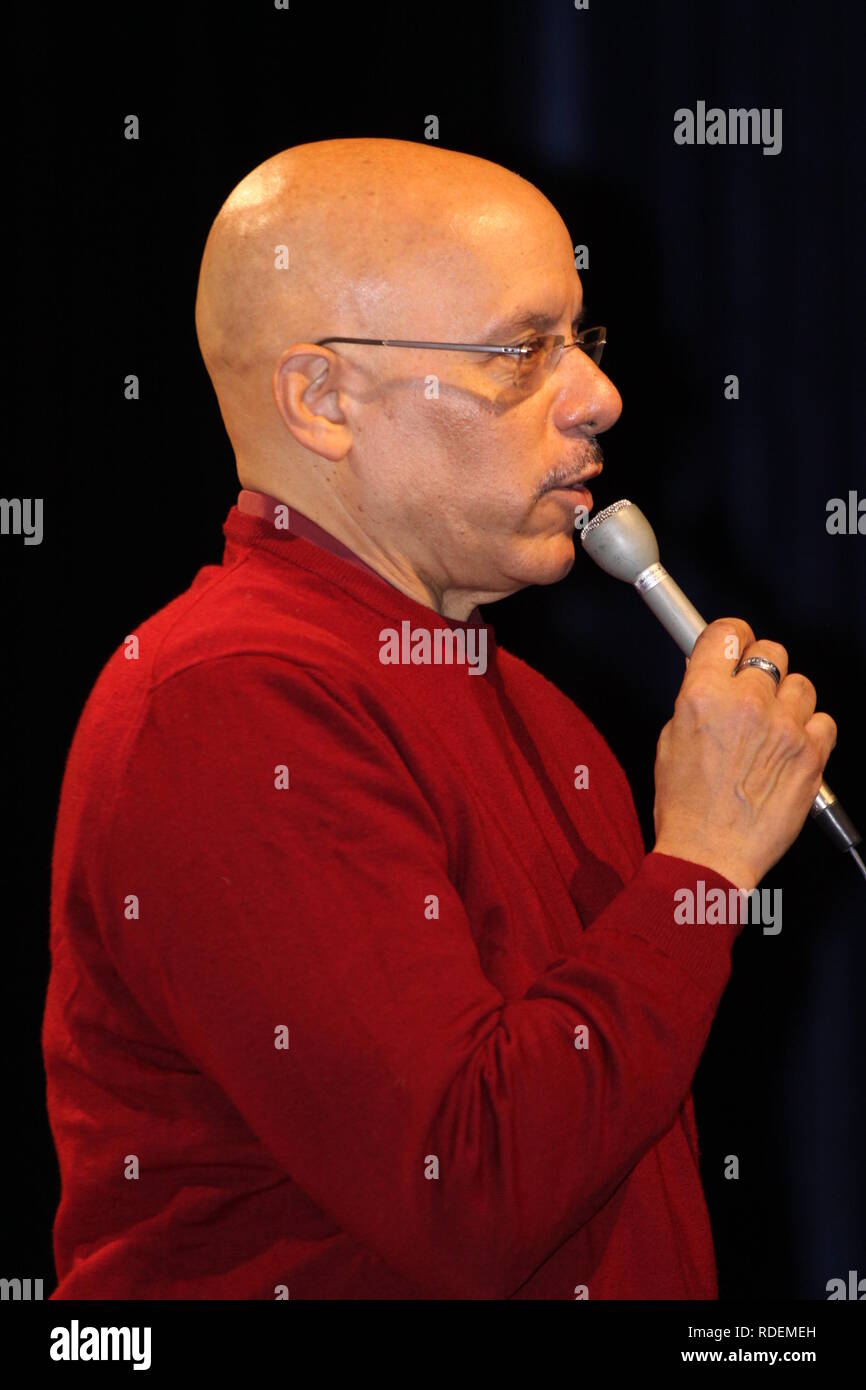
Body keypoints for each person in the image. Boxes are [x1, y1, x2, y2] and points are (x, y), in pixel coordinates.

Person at [43, 138, 836, 1299]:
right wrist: (704, 865)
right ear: (321, 400)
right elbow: (464, 1191)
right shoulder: (226, 696)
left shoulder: (536, 712)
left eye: (582, 340)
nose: (599, 397)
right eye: (521, 351)